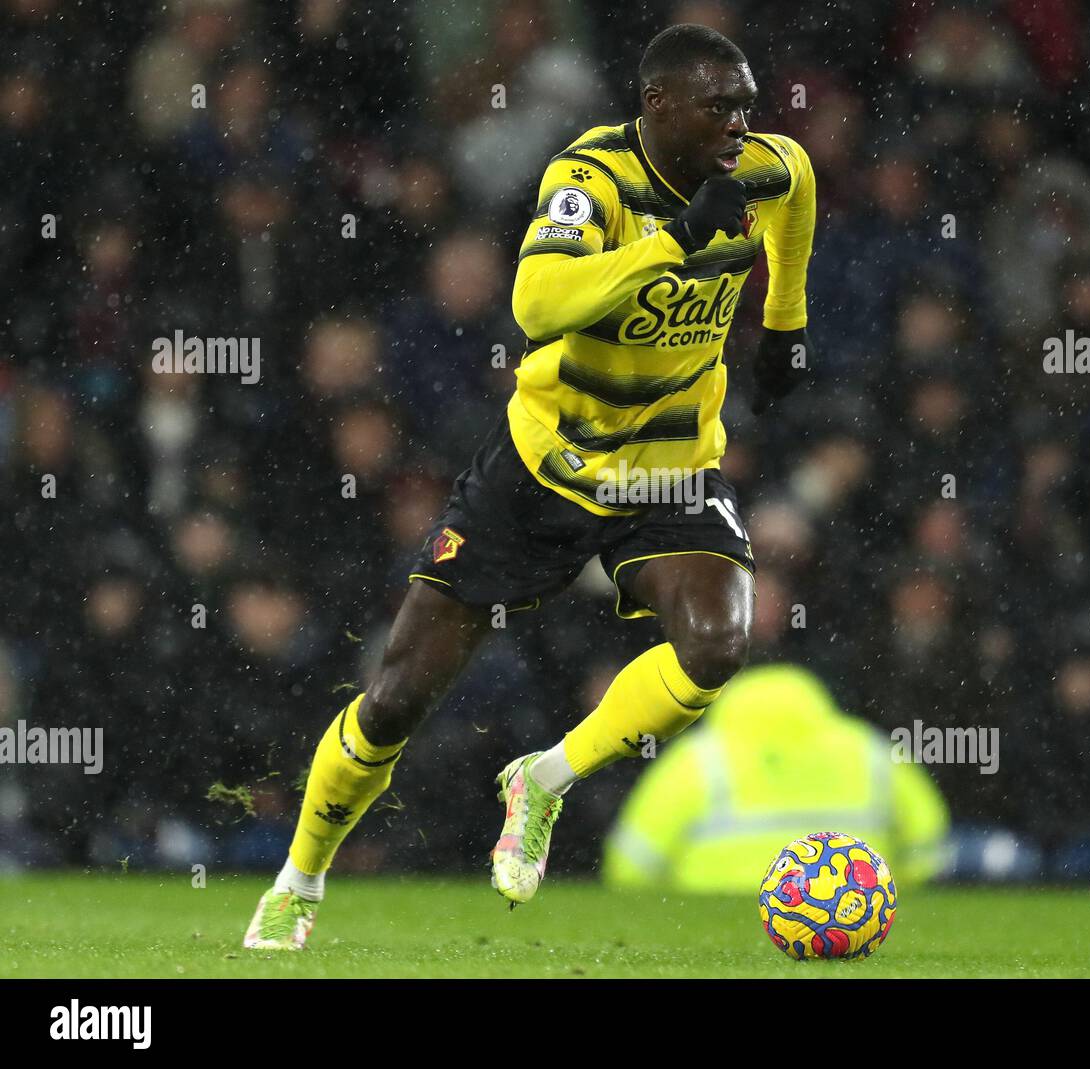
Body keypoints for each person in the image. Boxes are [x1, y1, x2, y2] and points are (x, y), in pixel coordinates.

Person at [244, 22, 816, 950]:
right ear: (659, 105)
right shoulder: (587, 181)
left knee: (717, 644)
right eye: (720, 106)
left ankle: (542, 780)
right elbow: (535, 304)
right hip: (544, 467)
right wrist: (673, 241)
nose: (740, 124)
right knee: (395, 698)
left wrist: (786, 319)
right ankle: (299, 878)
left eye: (747, 104)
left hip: (669, 465)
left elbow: (801, 190)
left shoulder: (765, 166)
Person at [603, 664, 951, 893]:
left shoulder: (698, 758)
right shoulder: (869, 749)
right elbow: (929, 837)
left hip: (707, 920)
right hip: (854, 908)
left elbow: (630, 865)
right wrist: (904, 890)